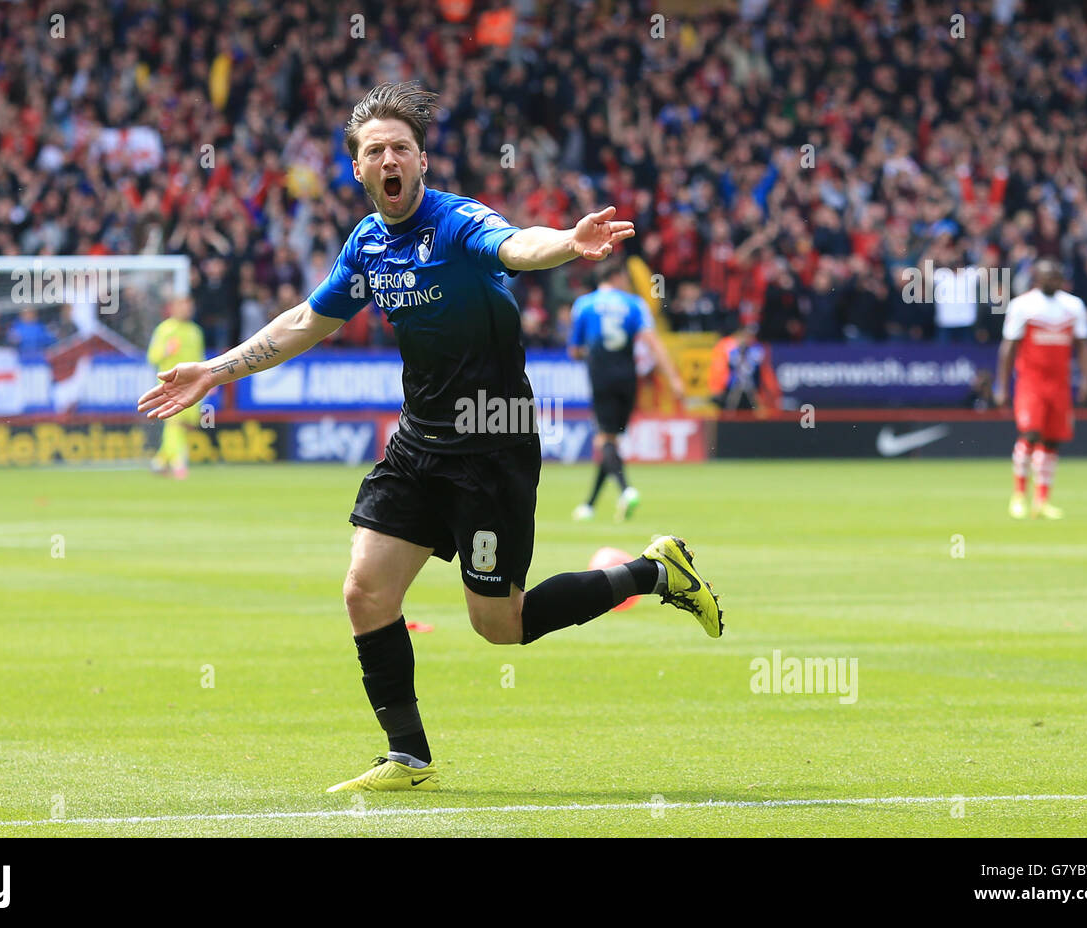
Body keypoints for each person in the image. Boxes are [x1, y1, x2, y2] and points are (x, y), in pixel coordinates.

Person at [137, 82, 723, 792]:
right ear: (357, 168)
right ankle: (408, 756)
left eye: (402, 149)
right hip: (420, 444)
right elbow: (305, 322)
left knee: (499, 625)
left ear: (421, 161)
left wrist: (567, 242)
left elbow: (516, 244)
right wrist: (217, 371)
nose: (390, 160)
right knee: (365, 592)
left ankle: (656, 571)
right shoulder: (366, 245)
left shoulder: (456, 223)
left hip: (491, 446)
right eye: (376, 150)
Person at [567, 261, 684, 522]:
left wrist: (588, 354)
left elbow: (574, 350)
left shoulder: (584, 304)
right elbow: (653, 342)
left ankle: (626, 490)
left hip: (602, 377)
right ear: (618, 276)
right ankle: (589, 505)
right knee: (610, 442)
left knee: (604, 441)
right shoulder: (635, 304)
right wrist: (674, 378)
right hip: (628, 379)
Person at [994, 259, 1087, 519]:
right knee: (1031, 433)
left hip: (1060, 384)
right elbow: (1008, 348)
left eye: (1057, 276)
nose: (1052, 281)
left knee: (1052, 440)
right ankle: (1018, 494)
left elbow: (1083, 345)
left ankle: (1042, 500)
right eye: (1048, 276)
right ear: (1037, 278)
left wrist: (1086, 380)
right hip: (1031, 382)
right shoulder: (1023, 305)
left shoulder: (1073, 306)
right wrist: (1001, 385)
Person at [146, 296, 206, 479]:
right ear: (173, 308)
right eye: (183, 306)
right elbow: (152, 357)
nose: (187, 310)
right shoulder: (165, 330)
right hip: (171, 386)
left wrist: (209, 381)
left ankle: (160, 461)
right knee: (174, 424)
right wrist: (166, 351)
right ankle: (178, 464)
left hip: (193, 386)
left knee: (186, 425)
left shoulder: (195, 331)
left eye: (189, 306)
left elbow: (200, 358)